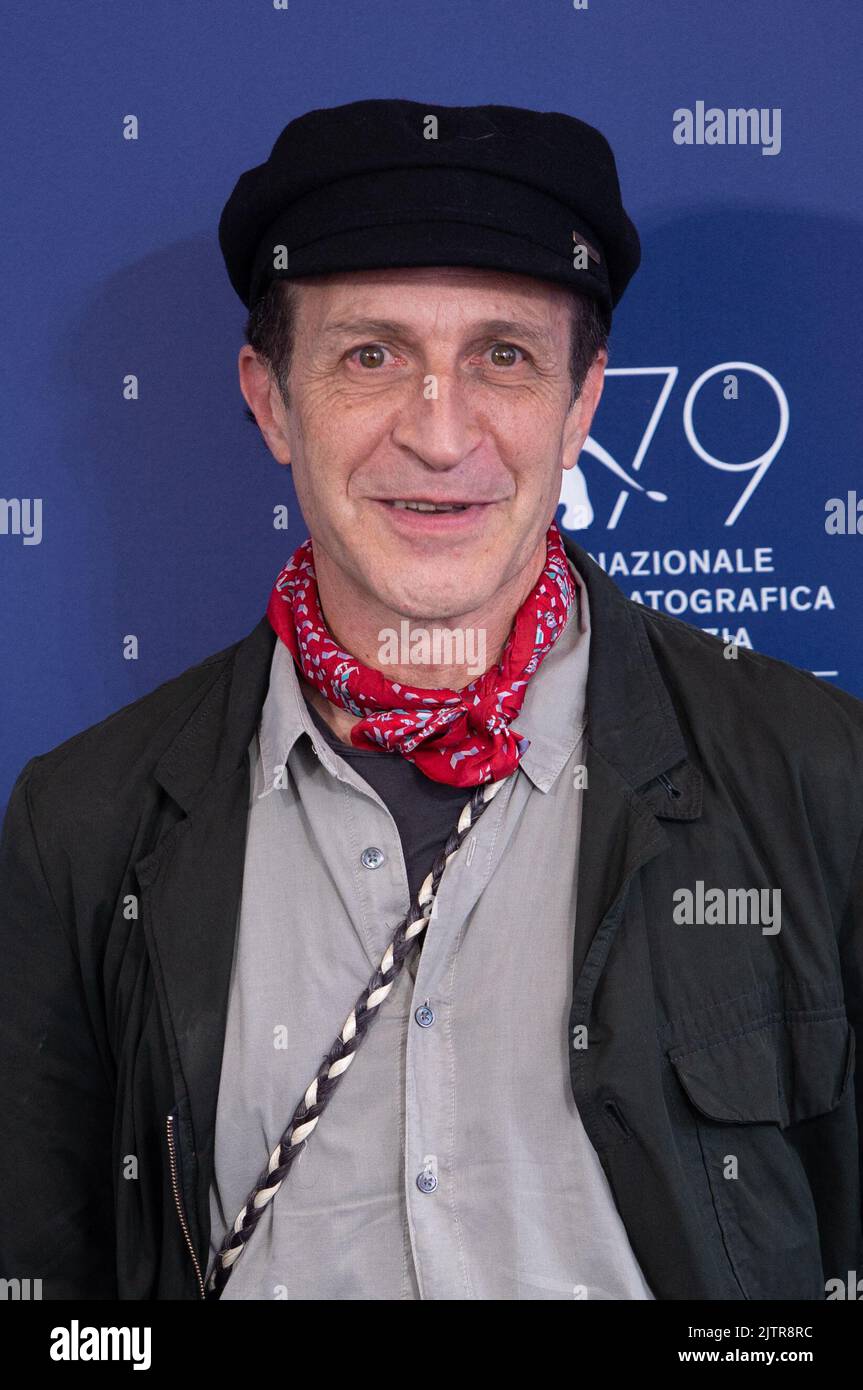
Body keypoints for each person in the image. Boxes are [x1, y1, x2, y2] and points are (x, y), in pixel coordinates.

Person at [0, 98, 860, 1301]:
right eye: (370, 355)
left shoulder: (820, 777)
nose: (440, 432)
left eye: (502, 356)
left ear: (581, 407)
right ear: (268, 400)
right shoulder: (80, 824)